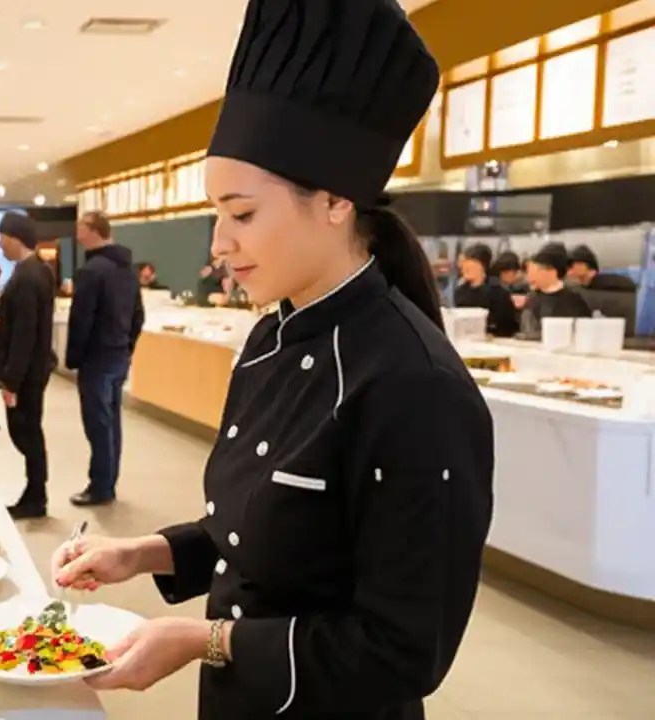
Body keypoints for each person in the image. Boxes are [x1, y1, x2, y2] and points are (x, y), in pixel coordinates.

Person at [51, 2, 494, 718]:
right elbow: (261, 536)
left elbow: (403, 651)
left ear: (335, 202)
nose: (218, 245)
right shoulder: (268, 339)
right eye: (216, 216)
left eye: (242, 214)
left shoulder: (417, 387)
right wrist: (142, 553)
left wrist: (208, 641)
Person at [66, 211, 145, 507]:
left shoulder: (92, 271)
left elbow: (81, 319)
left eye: (80, 228)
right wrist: (127, 346)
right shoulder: (127, 270)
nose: (77, 235)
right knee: (112, 422)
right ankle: (108, 481)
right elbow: (138, 314)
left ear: (92, 229)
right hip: (118, 355)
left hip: (96, 358)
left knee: (97, 423)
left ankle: (100, 486)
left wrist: (73, 356)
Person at [0, 211, 56, 520]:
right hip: (33, 370)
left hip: (25, 374)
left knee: (25, 431)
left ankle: (36, 496)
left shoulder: (28, 276)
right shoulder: (35, 271)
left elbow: (24, 333)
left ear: (14, 237)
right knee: (29, 431)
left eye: (1, 236)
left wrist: (10, 379)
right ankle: (34, 493)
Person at [523, 242, 593, 334]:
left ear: (553, 271)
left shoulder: (574, 301)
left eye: (538, 270)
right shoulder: (532, 299)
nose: (531, 277)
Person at [453, 243, 519, 337]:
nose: (463, 268)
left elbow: (508, 326)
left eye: (469, 263)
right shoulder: (460, 292)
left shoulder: (498, 292)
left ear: (482, 266)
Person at [568, 245, 637, 292]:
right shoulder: (579, 287)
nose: (568, 268)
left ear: (584, 265)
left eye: (571, 264)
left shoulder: (612, 283)